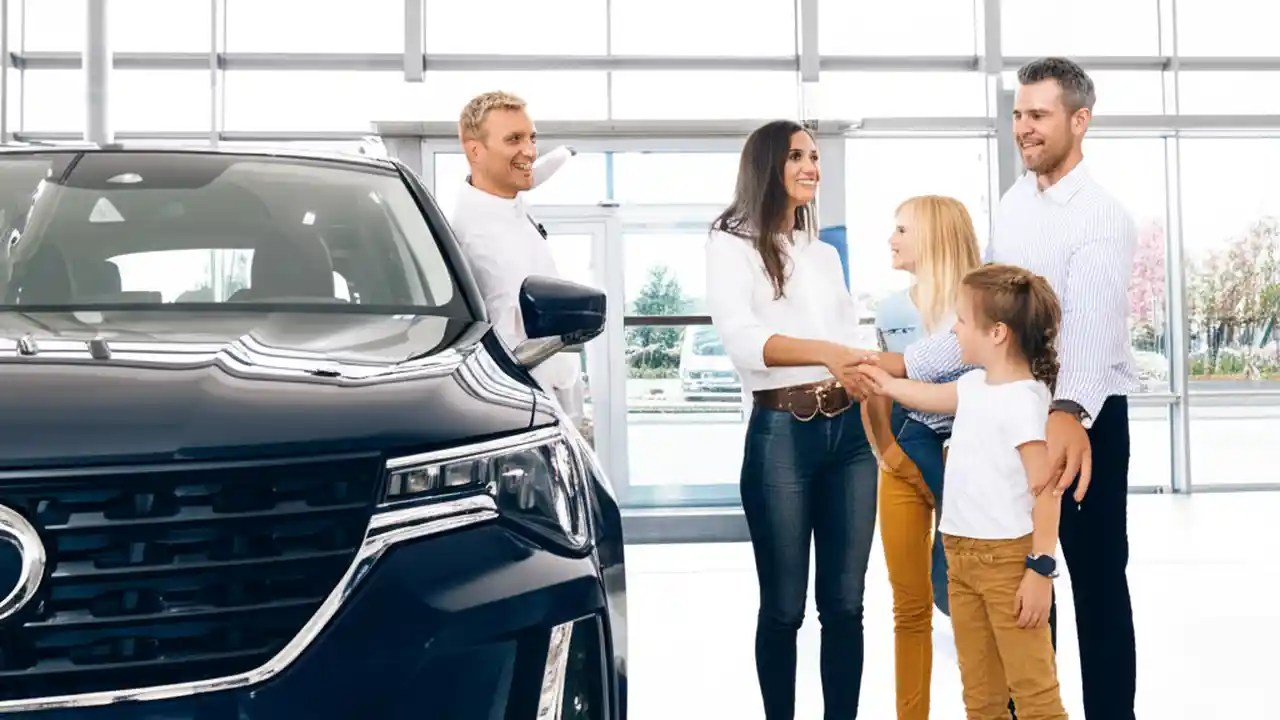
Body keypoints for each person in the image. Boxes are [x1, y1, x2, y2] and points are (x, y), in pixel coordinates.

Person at [879, 57, 1139, 718]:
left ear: (1079, 121)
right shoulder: (1014, 204)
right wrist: (903, 363)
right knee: (1022, 585)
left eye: (1039, 115)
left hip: (1082, 422)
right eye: (1018, 115)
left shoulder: (1104, 218)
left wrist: (1069, 413)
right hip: (1012, 415)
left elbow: (1090, 327)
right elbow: (989, 319)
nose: (1023, 128)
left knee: (1099, 584)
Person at [705, 119, 879, 720]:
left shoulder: (824, 252)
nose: (812, 167)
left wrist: (858, 367)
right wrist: (828, 352)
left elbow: (846, 335)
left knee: (847, 606)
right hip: (783, 435)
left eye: (815, 157)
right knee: (784, 608)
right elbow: (743, 340)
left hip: (850, 436)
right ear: (767, 165)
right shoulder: (730, 243)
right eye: (798, 156)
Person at [858, 263, 1069, 720]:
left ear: (997, 333)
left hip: (1008, 564)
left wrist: (1040, 570)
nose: (953, 329)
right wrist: (880, 381)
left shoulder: (1024, 400)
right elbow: (921, 396)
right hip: (960, 557)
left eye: (961, 320)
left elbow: (1046, 491)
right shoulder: (973, 385)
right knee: (980, 696)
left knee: (1035, 695)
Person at [863, 195, 981, 720]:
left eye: (902, 229)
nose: (891, 239)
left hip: (971, 464)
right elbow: (876, 387)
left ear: (932, 236)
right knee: (909, 608)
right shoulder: (890, 309)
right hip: (904, 457)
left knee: (966, 602)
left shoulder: (980, 305)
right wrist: (887, 451)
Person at [448, 90, 585, 426]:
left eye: (531, 137)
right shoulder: (479, 238)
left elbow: (534, 173)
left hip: (555, 403)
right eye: (513, 139)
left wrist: (564, 154)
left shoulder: (504, 202)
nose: (529, 150)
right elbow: (514, 345)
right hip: (528, 411)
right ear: (475, 150)